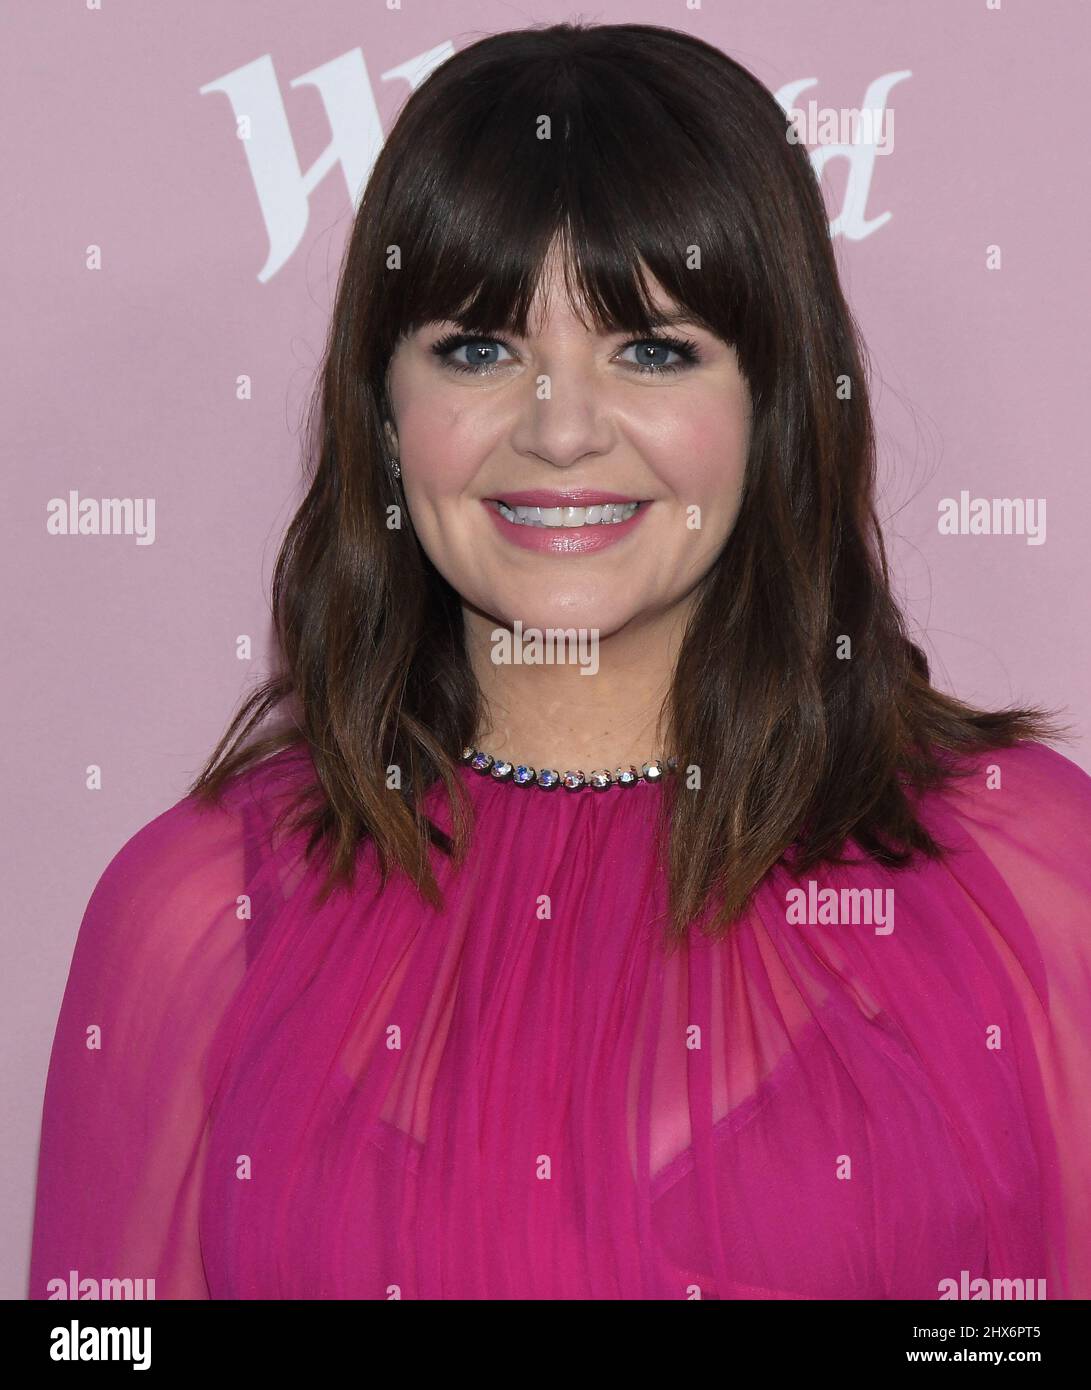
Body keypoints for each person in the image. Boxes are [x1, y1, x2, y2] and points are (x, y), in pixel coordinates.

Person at [29, 20, 1091, 1301]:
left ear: (777, 402)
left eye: (652, 348)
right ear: (383, 405)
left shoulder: (1023, 876)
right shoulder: (197, 914)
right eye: (479, 349)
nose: (563, 429)